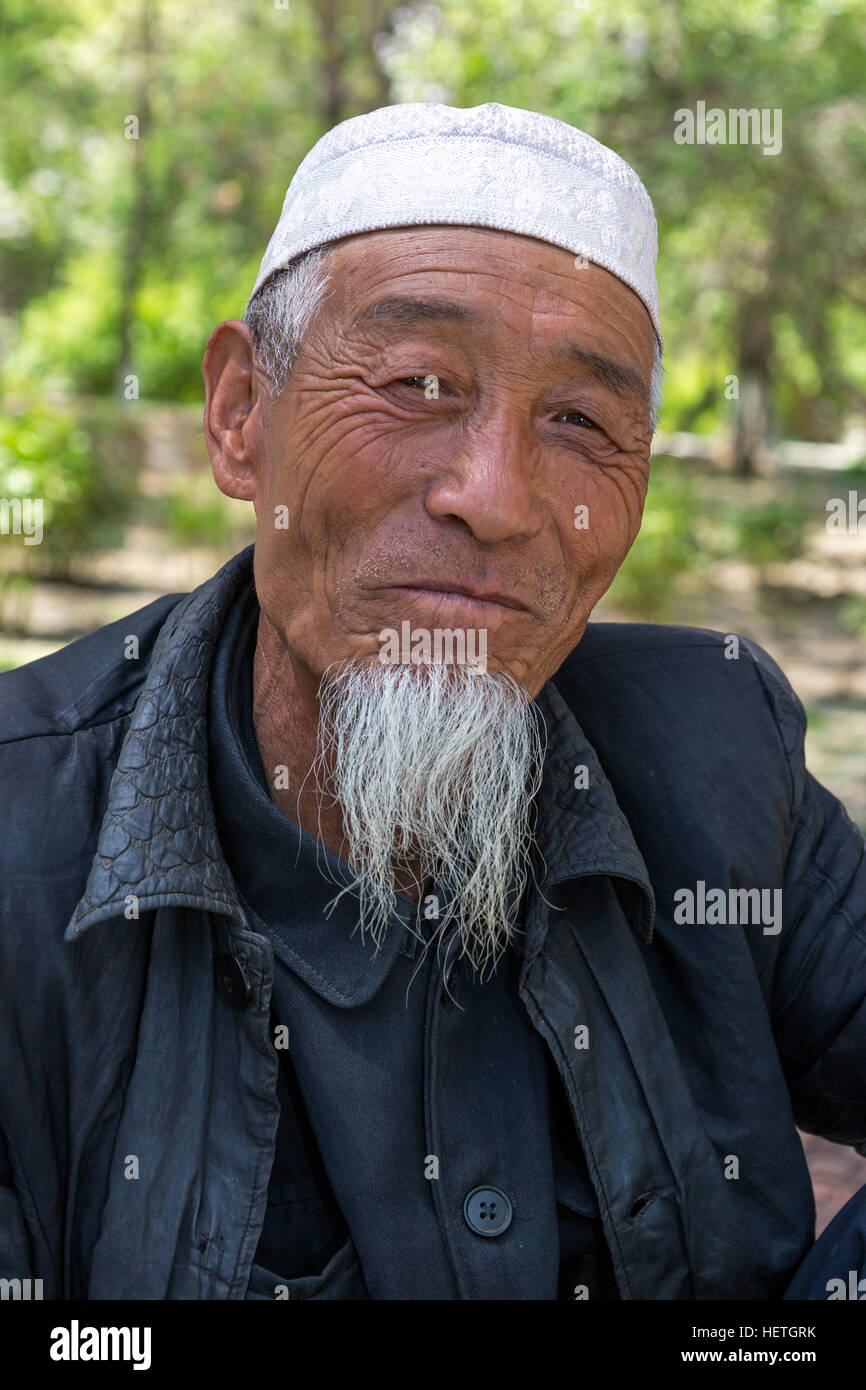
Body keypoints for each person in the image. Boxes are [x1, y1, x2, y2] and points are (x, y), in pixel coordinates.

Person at [1, 101, 865, 1301]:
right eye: (415, 381)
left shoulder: (718, 752)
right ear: (240, 413)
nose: (497, 496)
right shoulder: (17, 837)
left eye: (577, 420)